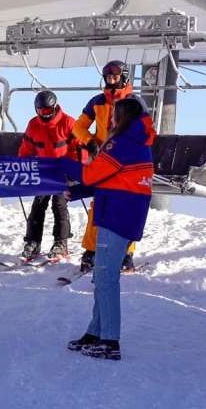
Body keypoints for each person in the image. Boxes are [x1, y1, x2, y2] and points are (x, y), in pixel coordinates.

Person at [66, 97, 154, 360]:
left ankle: (109, 340)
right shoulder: (136, 142)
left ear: (123, 116)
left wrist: (61, 163)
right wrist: (80, 190)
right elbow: (112, 177)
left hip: (117, 216)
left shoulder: (122, 143)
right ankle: (96, 331)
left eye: (114, 114)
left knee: (106, 279)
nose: (111, 119)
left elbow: (93, 173)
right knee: (102, 277)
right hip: (123, 214)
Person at [72, 60, 149, 273]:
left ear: (124, 77)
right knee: (99, 207)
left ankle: (126, 253)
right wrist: (90, 141)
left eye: (115, 77)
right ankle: (91, 251)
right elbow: (78, 127)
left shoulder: (135, 102)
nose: (111, 81)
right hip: (103, 162)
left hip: (128, 164)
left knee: (127, 208)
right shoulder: (97, 101)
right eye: (108, 78)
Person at [17, 89, 79, 262]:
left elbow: (77, 147)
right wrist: (22, 166)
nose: (44, 115)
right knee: (39, 203)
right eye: (41, 111)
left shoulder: (67, 123)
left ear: (55, 107)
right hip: (44, 170)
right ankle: (33, 241)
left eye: (48, 111)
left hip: (63, 171)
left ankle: (61, 242)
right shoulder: (33, 125)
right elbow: (26, 148)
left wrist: (73, 170)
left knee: (59, 204)